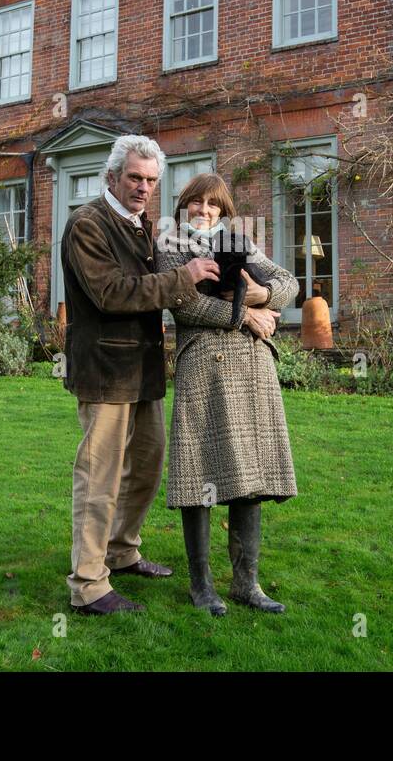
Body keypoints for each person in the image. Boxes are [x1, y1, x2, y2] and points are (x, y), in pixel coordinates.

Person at [60, 135, 221, 615]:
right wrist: (184, 277)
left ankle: (121, 551)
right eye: (135, 177)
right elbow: (111, 293)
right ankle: (88, 584)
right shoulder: (87, 224)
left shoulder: (142, 226)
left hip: (144, 370)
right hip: (105, 371)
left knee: (146, 469)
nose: (144, 187)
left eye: (151, 180)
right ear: (112, 176)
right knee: (99, 478)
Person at [155, 172, 299, 615]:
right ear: (183, 207)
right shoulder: (170, 246)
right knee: (198, 474)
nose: (205, 211)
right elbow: (185, 304)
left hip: (253, 368)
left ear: (223, 210)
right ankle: (202, 586)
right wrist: (247, 316)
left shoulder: (239, 242)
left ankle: (246, 584)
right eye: (196, 203)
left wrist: (263, 293)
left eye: (213, 205)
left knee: (249, 476)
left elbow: (289, 283)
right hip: (204, 365)